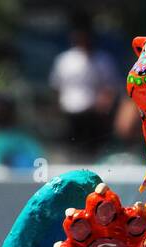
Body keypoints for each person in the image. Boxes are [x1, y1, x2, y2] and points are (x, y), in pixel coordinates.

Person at [49, 13, 119, 157]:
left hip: (93, 117)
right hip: (69, 115)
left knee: (92, 153)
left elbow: (110, 88)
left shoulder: (102, 60)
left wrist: (104, 106)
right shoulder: (64, 60)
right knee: (72, 153)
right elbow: (56, 87)